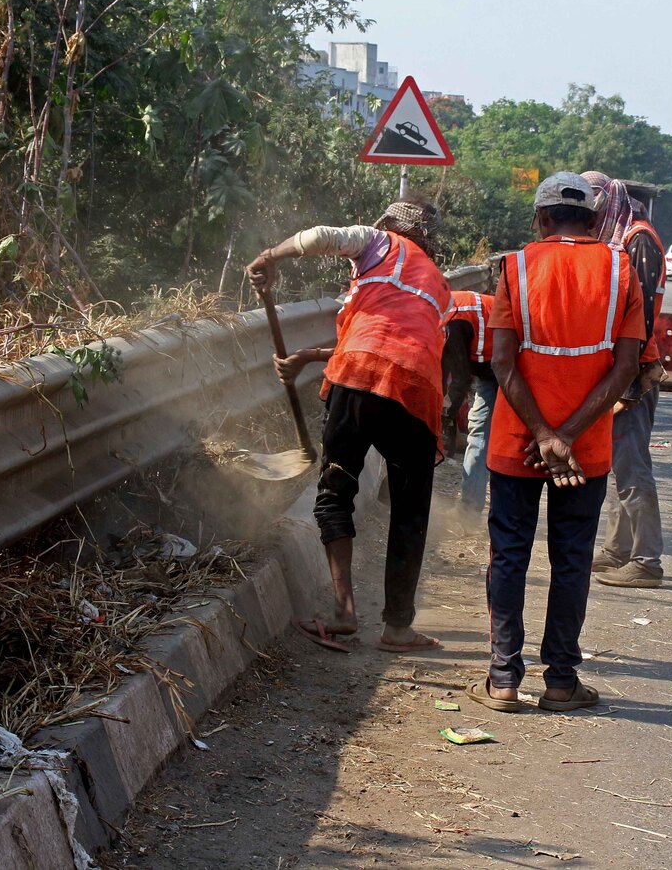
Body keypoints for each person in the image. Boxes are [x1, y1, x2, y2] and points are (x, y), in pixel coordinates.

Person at [465, 172, 646, 713]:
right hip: (584, 449)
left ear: (542, 219)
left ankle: (502, 679)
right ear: (593, 221)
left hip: (518, 440)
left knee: (509, 557)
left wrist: (542, 434)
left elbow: (501, 361)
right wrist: (566, 436)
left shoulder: (516, 267)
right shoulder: (622, 270)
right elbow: (628, 368)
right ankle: (562, 682)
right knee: (571, 559)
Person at [247, 199, 450, 654]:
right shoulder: (440, 287)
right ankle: (398, 628)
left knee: (336, 491)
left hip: (357, 380)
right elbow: (401, 343)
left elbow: (322, 236)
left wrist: (270, 257)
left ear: (390, 226)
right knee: (410, 511)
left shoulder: (380, 242)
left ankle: (344, 613)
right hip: (417, 394)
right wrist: (306, 358)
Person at [581, 172, 667, 588]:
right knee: (619, 463)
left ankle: (647, 560)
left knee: (632, 466)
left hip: (634, 369)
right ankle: (618, 550)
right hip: (624, 366)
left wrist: (629, 376)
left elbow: (642, 313)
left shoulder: (638, 239)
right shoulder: (626, 235)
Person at [442, 289, 497, 512]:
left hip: (518, 366)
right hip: (490, 369)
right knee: (479, 431)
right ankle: (469, 512)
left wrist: (445, 417)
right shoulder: (439, 310)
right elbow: (443, 371)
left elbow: (461, 379)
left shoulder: (452, 319)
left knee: (489, 434)